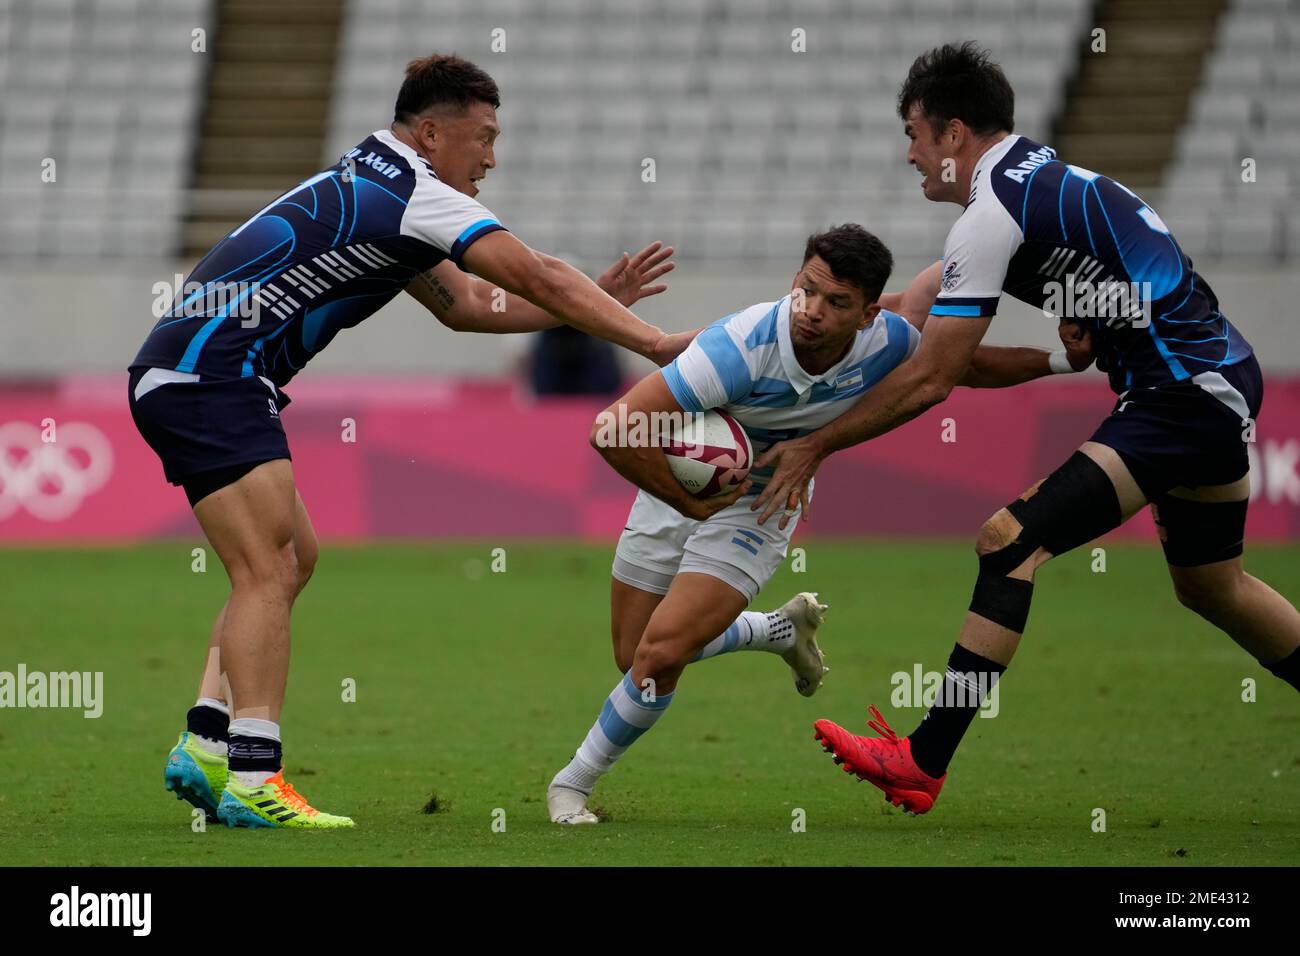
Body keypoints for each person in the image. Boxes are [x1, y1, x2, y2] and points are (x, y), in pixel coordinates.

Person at [133, 54, 685, 829]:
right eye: (483, 137)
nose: (491, 157)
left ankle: (207, 739)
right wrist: (653, 342)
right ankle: (255, 775)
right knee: (264, 570)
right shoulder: (414, 193)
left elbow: (470, 306)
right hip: (211, 377)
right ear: (431, 132)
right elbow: (534, 272)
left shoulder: (377, 179)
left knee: (292, 560)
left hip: (194, 374)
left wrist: (585, 304)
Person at [750, 43, 1300, 815]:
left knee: (1009, 542)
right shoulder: (1033, 180)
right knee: (1214, 587)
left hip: (1184, 396)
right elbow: (914, 319)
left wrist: (814, 444)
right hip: (1204, 383)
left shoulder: (992, 214)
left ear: (954, 132)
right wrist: (1080, 334)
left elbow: (936, 375)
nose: (909, 154)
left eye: (914, 133)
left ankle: (923, 760)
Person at [545, 223, 1094, 824]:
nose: (811, 310)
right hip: (677, 485)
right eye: (807, 290)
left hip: (762, 506)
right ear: (794, 281)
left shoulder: (888, 344)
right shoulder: (738, 348)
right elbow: (611, 430)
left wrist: (1063, 359)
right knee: (632, 656)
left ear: (865, 316)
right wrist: (687, 502)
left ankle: (571, 786)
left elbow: (965, 364)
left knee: (659, 655)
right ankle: (775, 632)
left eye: (835, 303)